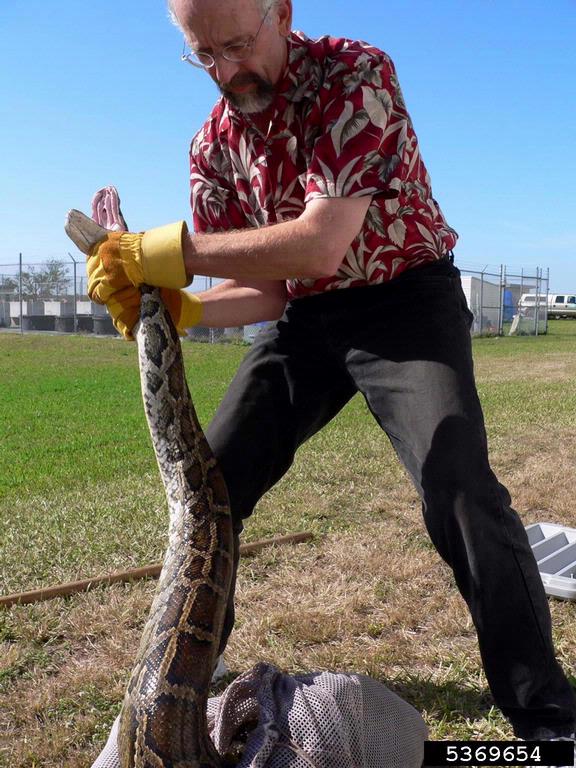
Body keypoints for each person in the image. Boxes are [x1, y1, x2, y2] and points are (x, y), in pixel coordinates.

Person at [66, 0, 576, 748]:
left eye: (237, 44)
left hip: (406, 302)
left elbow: (318, 243)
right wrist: (178, 308)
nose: (226, 71)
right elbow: (270, 290)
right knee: (212, 492)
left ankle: (548, 722)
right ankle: (175, 706)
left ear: (280, 13)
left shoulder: (354, 75)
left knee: (460, 492)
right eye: (203, 55)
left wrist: (169, 250)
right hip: (305, 320)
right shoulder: (211, 147)